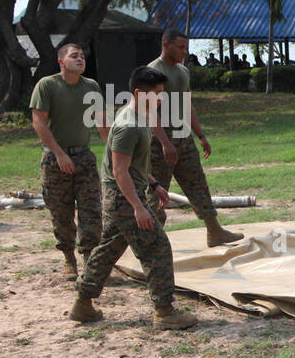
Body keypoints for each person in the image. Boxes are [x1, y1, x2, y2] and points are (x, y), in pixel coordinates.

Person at [69, 66, 198, 330]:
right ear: (139, 93)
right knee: (157, 248)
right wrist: (138, 207)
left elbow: (134, 166)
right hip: (124, 199)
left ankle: (83, 303)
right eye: (156, 94)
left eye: (162, 93)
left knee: (108, 250)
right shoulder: (128, 125)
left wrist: (154, 185)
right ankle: (164, 311)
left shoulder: (140, 117)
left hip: (126, 196)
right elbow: (119, 170)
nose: (160, 98)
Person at [147, 29, 242, 246]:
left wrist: (200, 135)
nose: (184, 52)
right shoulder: (153, 71)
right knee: (155, 192)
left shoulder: (182, 72)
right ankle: (150, 241)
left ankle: (214, 231)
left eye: (186, 47)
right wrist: (164, 142)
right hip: (160, 138)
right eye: (180, 47)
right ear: (166, 45)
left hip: (183, 136)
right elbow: (149, 112)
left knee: (197, 183)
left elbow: (187, 105)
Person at [29, 43, 107, 279]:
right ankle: (68, 259)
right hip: (55, 159)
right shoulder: (47, 85)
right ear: (61, 61)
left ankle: (90, 263)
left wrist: (114, 150)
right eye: (74, 56)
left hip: (84, 157)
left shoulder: (91, 86)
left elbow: (102, 121)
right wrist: (60, 155)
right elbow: (39, 123)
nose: (80, 59)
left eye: (82, 56)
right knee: (61, 214)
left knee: (91, 211)